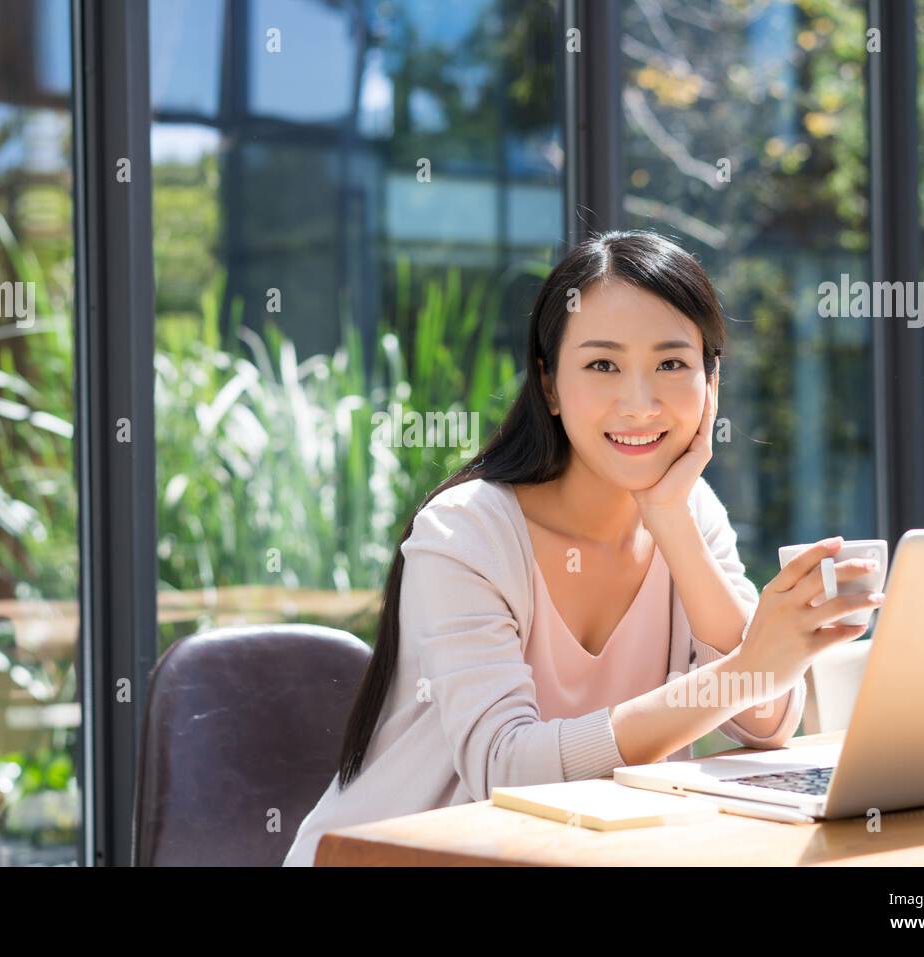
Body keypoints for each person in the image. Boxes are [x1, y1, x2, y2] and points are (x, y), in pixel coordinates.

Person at [282, 230, 882, 866]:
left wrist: (670, 523)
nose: (639, 403)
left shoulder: (692, 513)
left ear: (711, 384)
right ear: (549, 386)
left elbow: (764, 723)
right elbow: (506, 769)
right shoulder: (464, 535)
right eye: (603, 365)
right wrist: (738, 672)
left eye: (672, 364)